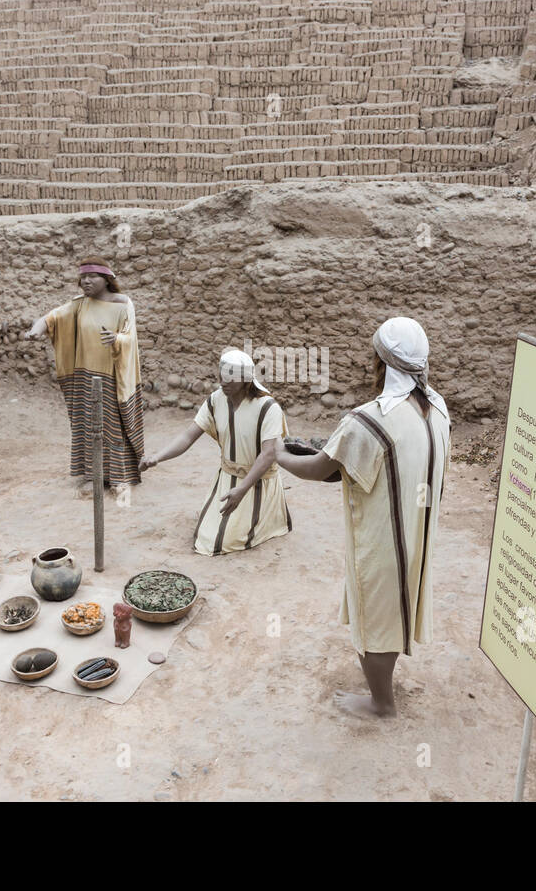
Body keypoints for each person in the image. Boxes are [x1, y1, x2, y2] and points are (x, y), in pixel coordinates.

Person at [276, 317, 450, 718]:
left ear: (381, 362)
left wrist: (279, 457)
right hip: (418, 531)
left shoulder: (369, 419)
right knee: (394, 606)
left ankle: (381, 704)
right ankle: (382, 693)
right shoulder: (438, 410)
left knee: (375, 613)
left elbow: (321, 468)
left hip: (384, 535)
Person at [141, 349, 292, 555]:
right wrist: (156, 458)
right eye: (221, 376)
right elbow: (188, 436)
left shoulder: (268, 407)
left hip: (256, 483)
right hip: (226, 479)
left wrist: (241, 490)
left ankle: (270, 518)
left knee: (222, 542)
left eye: (230, 378)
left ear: (246, 380)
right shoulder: (215, 400)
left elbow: (268, 455)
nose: (223, 382)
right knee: (205, 537)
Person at [26, 256, 144, 492]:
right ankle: (93, 475)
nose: (86, 281)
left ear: (106, 278)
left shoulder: (122, 303)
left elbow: (130, 335)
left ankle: (119, 475)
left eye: (92, 276)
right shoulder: (79, 304)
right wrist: (35, 331)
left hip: (111, 376)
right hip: (84, 376)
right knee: (88, 425)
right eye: (83, 277)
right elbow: (52, 318)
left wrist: (117, 339)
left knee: (113, 425)